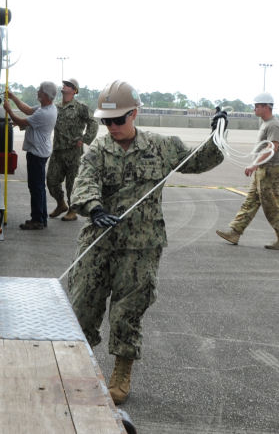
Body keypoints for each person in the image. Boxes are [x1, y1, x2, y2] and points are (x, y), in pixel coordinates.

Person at [68, 80, 227, 404]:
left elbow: (198, 160)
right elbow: (84, 183)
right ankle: (76, 369)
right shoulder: (98, 150)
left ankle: (121, 375)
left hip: (141, 247)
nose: (111, 127)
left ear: (134, 114)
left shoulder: (160, 146)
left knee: (127, 313)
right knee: (82, 307)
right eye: (105, 121)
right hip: (99, 243)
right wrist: (95, 209)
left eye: (118, 120)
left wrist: (218, 134)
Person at [216, 92, 279, 250]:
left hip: (270, 170)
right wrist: (257, 165)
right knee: (250, 202)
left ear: (266, 107)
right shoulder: (265, 123)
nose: (254, 109)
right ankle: (235, 232)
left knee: (271, 205)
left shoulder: (274, 125)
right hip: (263, 169)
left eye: (257, 106)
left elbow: (272, 148)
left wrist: (254, 165)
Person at [3, 82, 58, 230]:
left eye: (40, 90)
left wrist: (9, 110)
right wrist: (13, 97)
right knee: (38, 187)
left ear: (46, 95)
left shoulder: (44, 113)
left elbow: (22, 120)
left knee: (36, 187)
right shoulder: (47, 108)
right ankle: (41, 218)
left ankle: (37, 220)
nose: (37, 91)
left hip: (37, 154)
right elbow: (27, 110)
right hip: (40, 152)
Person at [47, 78, 99, 222]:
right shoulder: (55, 107)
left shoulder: (80, 107)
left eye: (68, 85)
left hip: (73, 152)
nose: (65, 86)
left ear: (74, 90)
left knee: (72, 184)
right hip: (58, 151)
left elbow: (93, 123)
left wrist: (85, 139)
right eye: (64, 84)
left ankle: (72, 210)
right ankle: (61, 204)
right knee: (51, 181)